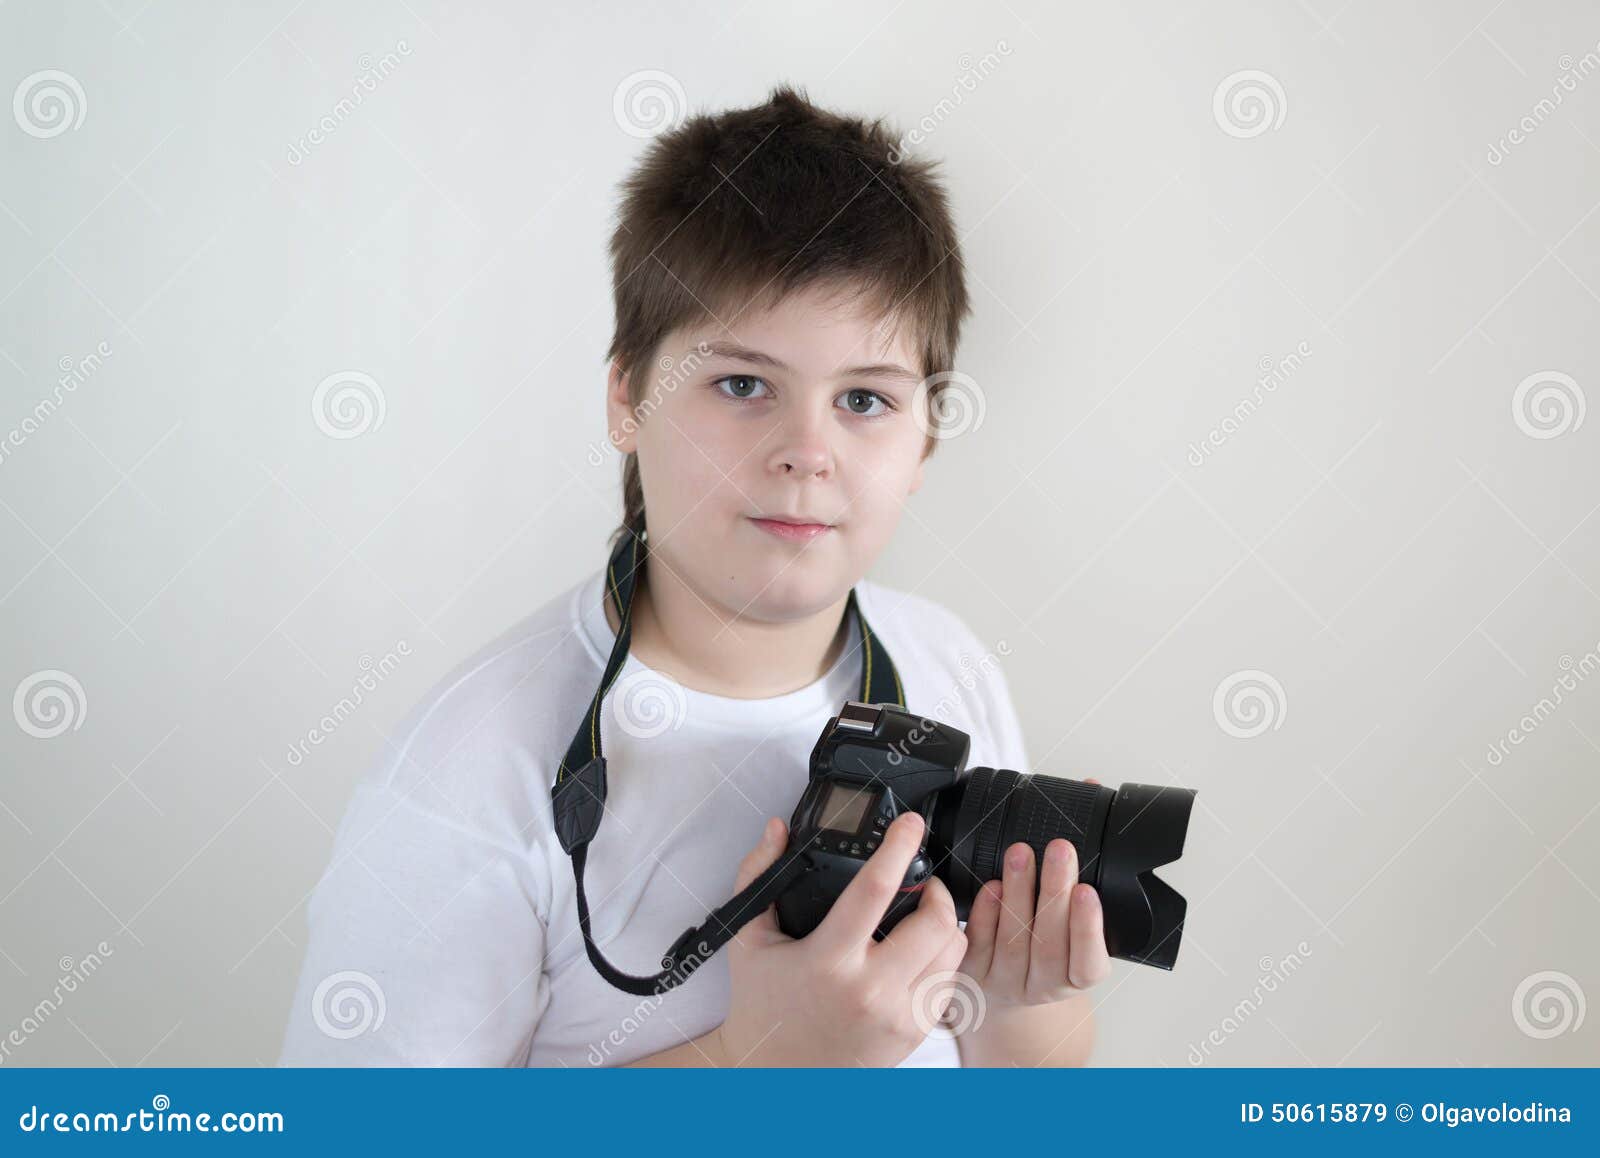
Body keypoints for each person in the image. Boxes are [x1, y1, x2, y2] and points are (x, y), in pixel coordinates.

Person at [279, 83, 1108, 1068]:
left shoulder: (949, 667)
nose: (808, 452)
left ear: (927, 436)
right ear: (627, 398)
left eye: (863, 400)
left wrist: (1022, 1005)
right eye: (743, 385)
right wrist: (746, 1065)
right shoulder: (473, 772)